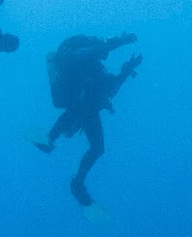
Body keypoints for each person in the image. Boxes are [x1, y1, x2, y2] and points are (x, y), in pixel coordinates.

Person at [33, 33, 141, 208]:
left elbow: (111, 86)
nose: (102, 57)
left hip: (88, 110)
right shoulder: (78, 57)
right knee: (76, 111)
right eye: (101, 53)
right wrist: (119, 41)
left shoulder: (95, 68)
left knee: (98, 148)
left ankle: (77, 183)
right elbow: (92, 52)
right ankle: (49, 139)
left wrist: (127, 70)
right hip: (79, 106)